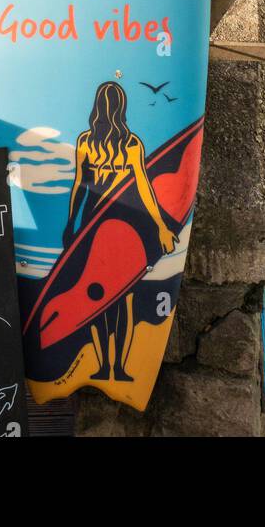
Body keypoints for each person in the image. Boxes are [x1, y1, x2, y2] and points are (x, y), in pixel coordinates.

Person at [61, 82, 178, 383]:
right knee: (123, 297)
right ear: (122, 109)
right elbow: (144, 188)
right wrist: (160, 225)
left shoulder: (86, 141)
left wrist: (71, 224)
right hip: (123, 224)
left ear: (96, 107)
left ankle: (104, 366)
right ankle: (119, 367)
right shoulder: (131, 145)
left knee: (97, 296)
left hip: (94, 224)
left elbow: (79, 187)